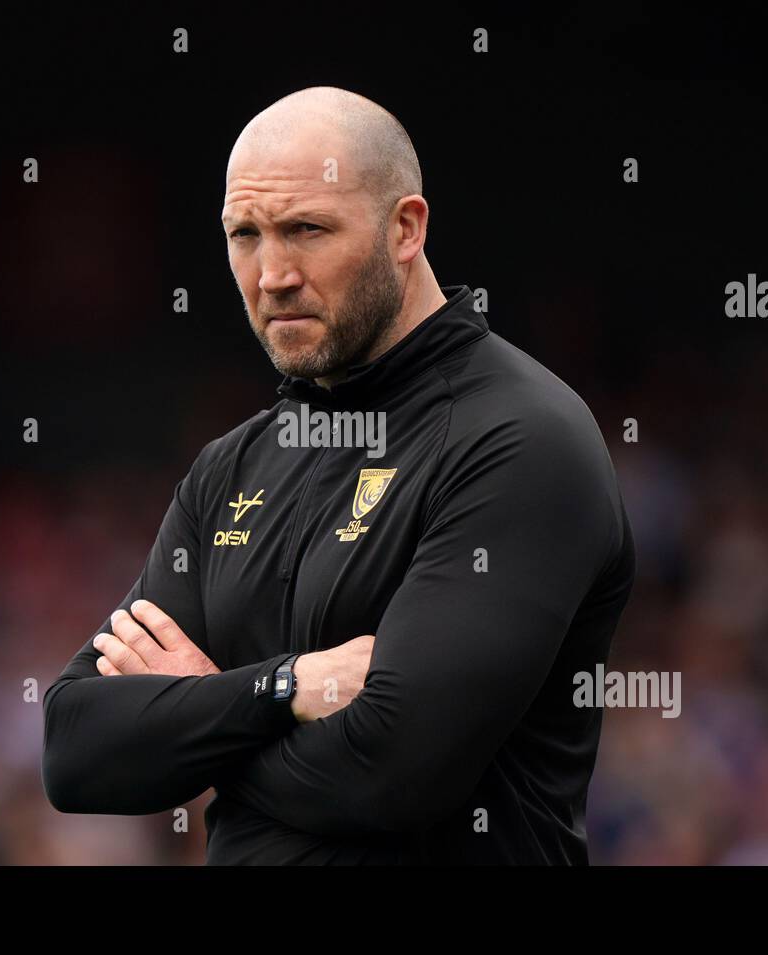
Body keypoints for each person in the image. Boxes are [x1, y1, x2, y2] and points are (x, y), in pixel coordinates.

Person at [42, 86, 635, 864]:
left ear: (405, 229)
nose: (273, 273)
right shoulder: (232, 466)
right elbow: (76, 747)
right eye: (244, 234)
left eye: (306, 230)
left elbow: (391, 773)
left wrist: (198, 708)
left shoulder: (520, 438)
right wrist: (284, 686)